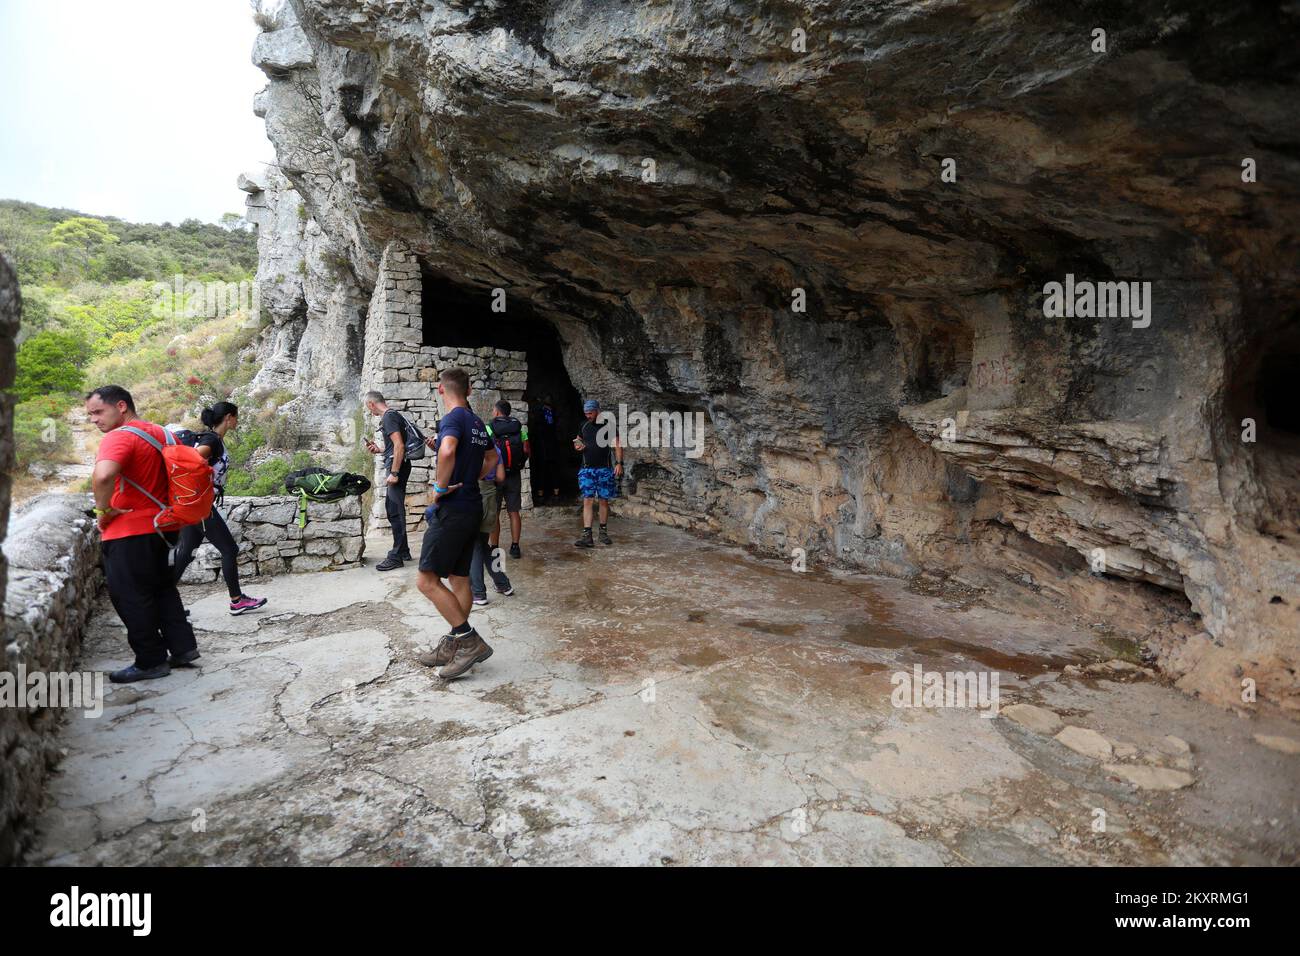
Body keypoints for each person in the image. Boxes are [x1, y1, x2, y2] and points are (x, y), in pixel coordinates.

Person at [86, 385, 200, 683]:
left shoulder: (118, 437)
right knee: (161, 588)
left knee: (129, 596)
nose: (94, 420)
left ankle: (150, 661)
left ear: (121, 406)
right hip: (166, 526)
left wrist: (103, 511)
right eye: (90, 415)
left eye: (98, 412)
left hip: (129, 531)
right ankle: (183, 648)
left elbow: (103, 475)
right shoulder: (164, 434)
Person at [414, 368, 497, 680]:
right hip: (473, 505)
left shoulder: (451, 418)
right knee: (460, 579)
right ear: (470, 390)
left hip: (452, 509)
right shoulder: (477, 422)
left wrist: (439, 489)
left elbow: (447, 450)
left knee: (426, 580)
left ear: (440, 390)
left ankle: (468, 640)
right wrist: (470, 474)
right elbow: (492, 459)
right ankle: (453, 643)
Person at [171, 402, 268, 615]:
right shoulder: (211, 440)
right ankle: (236, 600)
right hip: (199, 506)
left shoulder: (216, 440)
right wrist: (202, 485)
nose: (237, 421)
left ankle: (162, 602)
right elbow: (194, 461)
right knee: (229, 549)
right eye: (236, 417)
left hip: (195, 504)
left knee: (185, 552)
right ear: (228, 417)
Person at [363, 390, 413, 571]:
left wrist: (394, 472)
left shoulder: (388, 418)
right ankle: (405, 550)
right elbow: (394, 446)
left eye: (368, 407)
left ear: (371, 404)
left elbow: (400, 445)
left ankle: (397, 555)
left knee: (394, 510)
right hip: (400, 464)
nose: (370, 411)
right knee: (395, 508)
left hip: (397, 468)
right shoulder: (394, 415)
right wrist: (380, 449)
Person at [574, 398, 623, 548]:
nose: (588, 415)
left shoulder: (609, 425)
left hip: (604, 469)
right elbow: (578, 440)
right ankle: (587, 536)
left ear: (597, 411)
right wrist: (578, 446)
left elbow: (618, 445)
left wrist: (619, 463)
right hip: (587, 469)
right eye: (586, 413)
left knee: (603, 500)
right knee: (587, 500)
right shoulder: (583, 425)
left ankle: (603, 532)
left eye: (590, 413)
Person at [469, 451, 515, 606]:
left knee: (474, 545)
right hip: (490, 495)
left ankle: (478, 593)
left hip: (474, 495)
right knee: (483, 544)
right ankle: (503, 584)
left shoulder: (470, 444)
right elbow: (501, 477)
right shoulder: (495, 449)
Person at [487, 399, 529, 558]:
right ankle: (515, 546)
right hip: (514, 474)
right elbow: (526, 449)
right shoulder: (520, 428)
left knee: (494, 513)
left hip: (495, 476)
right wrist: (519, 464)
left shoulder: (489, 427)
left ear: (497, 412)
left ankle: (494, 547)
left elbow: (486, 451)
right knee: (514, 511)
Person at [530, 394, 561, 505]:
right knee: (553, 470)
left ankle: (540, 495)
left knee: (541, 471)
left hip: (541, 446)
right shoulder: (553, 414)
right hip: (552, 445)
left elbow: (534, 428)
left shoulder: (539, 412)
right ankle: (556, 493)